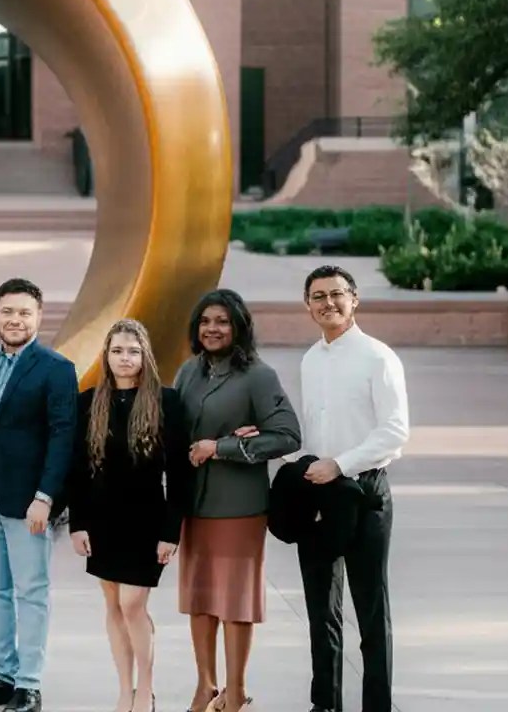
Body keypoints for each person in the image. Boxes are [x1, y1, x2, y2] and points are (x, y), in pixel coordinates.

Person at [0, 278, 78, 712]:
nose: (15, 319)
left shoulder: (56, 368)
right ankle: (2, 675)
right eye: (8, 311)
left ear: (39, 317)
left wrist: (46, 495)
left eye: (24, 312)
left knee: (32, 591)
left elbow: (63, 437)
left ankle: (29, 683)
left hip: (30, 502)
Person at [173, 289, 301, 712]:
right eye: (206, 321)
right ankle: (205, 687)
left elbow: (287, 435)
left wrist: (223, 446)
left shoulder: (257, 376)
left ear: (239, 327)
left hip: (237, 506)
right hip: (194, 503)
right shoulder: (189, 372)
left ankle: (236, 691)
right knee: (200, 598)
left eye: (223, 321)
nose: (213, 328)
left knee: (234, 601)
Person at [296, 265, 409, 712]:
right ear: (308, 306)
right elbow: (313, 432)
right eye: (318, 296)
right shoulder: (310, 359)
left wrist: (340, 465)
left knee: (371, 611)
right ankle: (325, 704)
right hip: (320, 497)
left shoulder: (378, 357)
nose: (328, 303)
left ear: (355, 299)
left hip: (365, 491)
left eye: (337, 294)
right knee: (321, 611)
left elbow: (395, 430)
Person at [67, 319, 192, 712]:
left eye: (133, 351)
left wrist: (171, 531)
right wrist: (77, 523)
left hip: (146, 521)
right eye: (118, 350)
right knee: (113, 606)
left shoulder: (166, 402)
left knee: (133, 604)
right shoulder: (88, 402)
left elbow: (181, 474)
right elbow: (79, 469)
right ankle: (125, 689)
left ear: (145, 356)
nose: (125, 358)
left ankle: (146, 690)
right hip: (102, 522)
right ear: (106, 355)